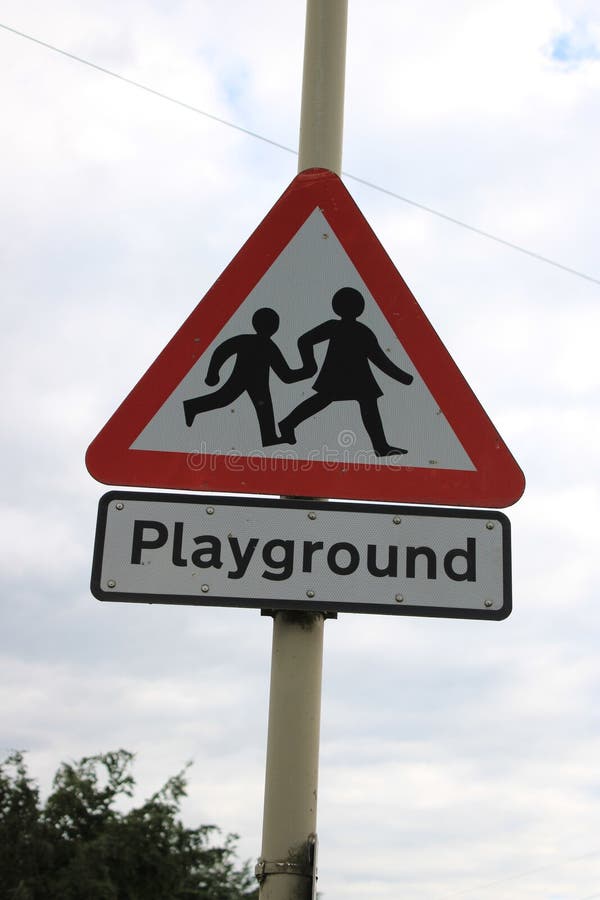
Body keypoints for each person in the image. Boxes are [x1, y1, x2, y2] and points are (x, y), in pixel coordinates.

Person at [278, 287, 414, 456]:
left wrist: (309, 365)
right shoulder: (358, 330)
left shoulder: (347, 328)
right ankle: (287, 423)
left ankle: (380, 446)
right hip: (344, 375)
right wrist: (404, 378)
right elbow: (380, 359)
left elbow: (379, 359)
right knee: (331, 400)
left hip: (354, 376)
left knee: (359, 402)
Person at [183, 307, 306, 447]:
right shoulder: (266, 345)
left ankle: (269, 436)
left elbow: (222, 351)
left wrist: (213, 374)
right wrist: (212, 374)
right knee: (225, 399)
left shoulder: (255, 342)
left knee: (258, 406)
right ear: (275, 327)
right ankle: (192, 406)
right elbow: (286, 375)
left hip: (256, 383)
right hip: (244, 379)